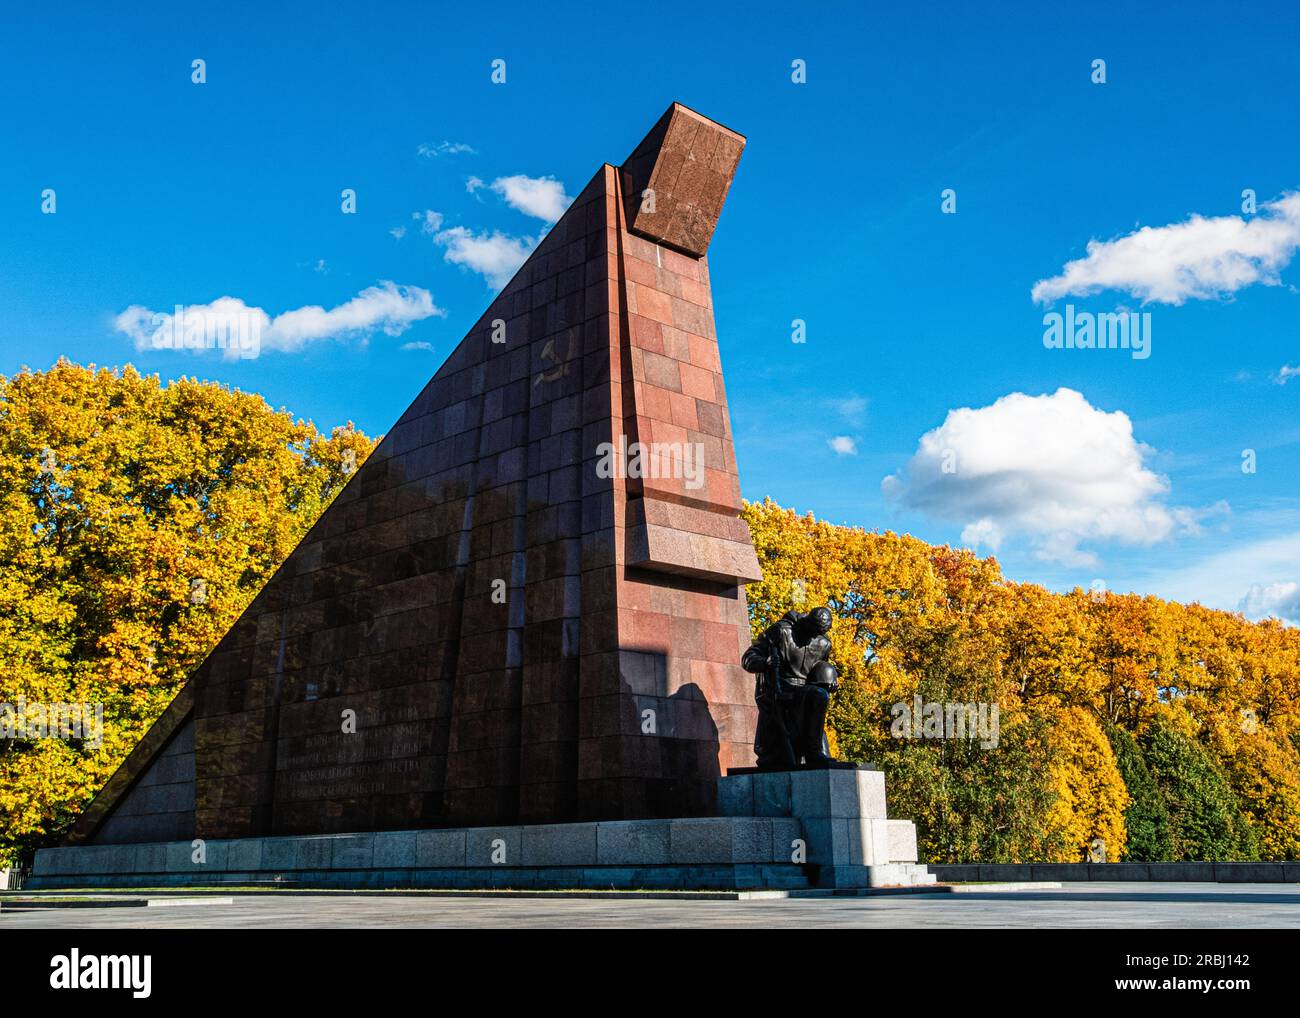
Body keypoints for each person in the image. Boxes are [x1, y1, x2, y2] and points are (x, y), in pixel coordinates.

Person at [742, 606, 839, 769]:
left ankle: (814, 751)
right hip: (779, 688)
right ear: (807, 621)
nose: (815, 636)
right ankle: (813, 752)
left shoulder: (823, 643)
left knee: (820, 694)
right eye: (814, 631)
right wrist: (765, 662)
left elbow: (820, 668)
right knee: (817, 695)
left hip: (807, 689)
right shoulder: (781, 631)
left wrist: (829, 680)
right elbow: (748, 658)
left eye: (819, 633)